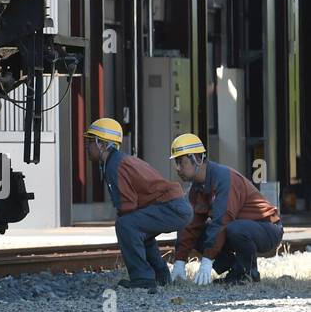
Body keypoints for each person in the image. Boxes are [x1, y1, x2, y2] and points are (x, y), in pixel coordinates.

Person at [83, 118, 192, 291]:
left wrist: (126, 224)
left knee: (126, 224)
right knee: (139, 229)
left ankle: (142, 278)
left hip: (172, 207)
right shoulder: (118, 161)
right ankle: (161, 276)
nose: (86, 147)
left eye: (90, 142)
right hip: (176, 206)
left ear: (102, 144)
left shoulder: (114, 165)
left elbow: (127, 205)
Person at [170, 133, 282, 286]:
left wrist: (207, 261)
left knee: (233, 228)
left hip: (268, 227)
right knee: (202, 233)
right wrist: (180, 260)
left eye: (180, 162)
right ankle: (236, 271)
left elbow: (222, 219)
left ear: (196, 159)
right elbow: (190, 225)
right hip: (239, 227)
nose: (177, 168)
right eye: (176, 162)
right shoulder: (197, 188)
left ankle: (249, 273)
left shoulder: (224, 178)